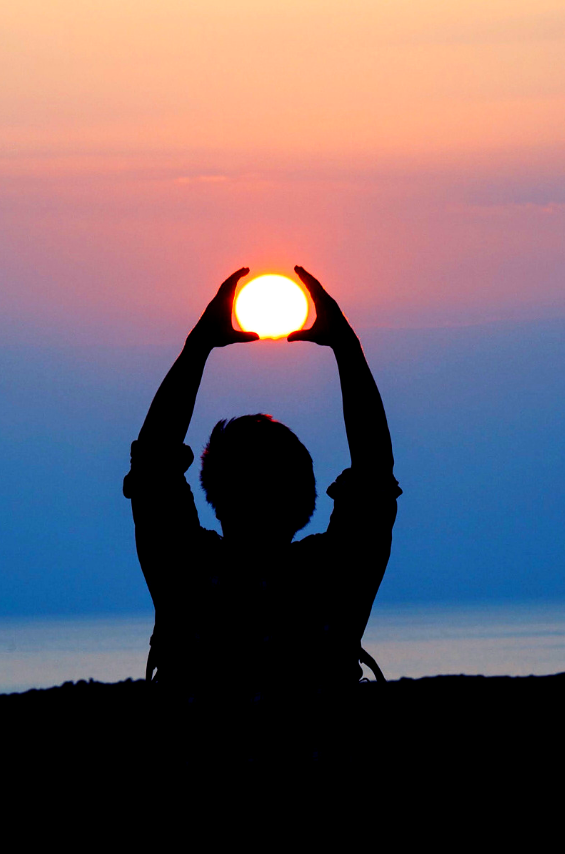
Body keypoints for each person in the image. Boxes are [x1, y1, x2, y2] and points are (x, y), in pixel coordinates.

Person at [123, 266, 400, 690]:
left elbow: (153, 467)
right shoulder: (332, 580)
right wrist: (346, 347)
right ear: (306, 496)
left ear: (215, 489)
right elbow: (374, 474)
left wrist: (198, 346)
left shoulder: (186, 573)